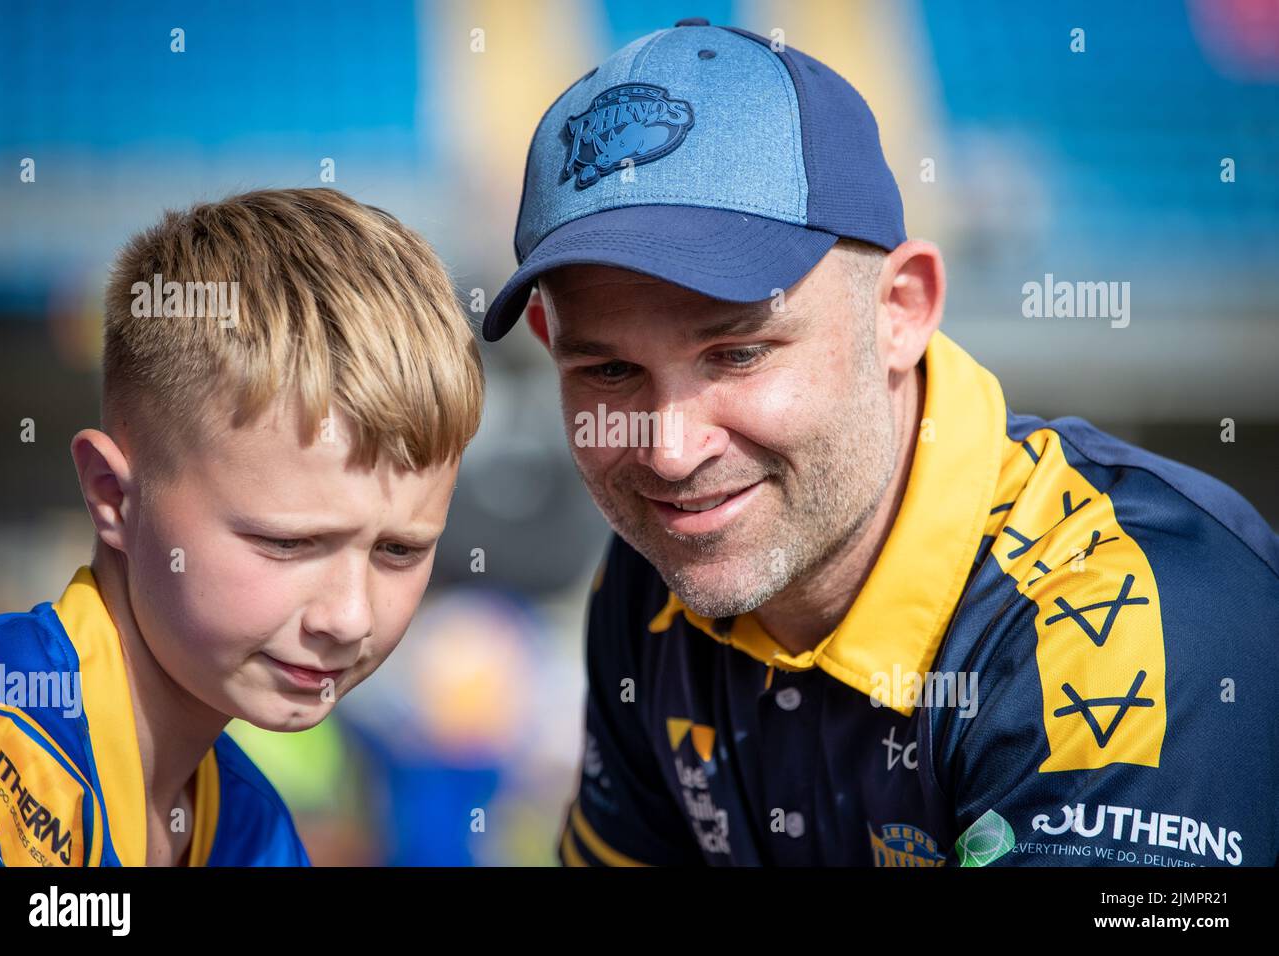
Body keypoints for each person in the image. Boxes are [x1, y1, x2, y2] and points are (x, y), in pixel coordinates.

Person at [482, 20, 1278, 866]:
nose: (670, 453)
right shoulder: (654, 574)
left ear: (902, 310)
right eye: (609, 370)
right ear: (548, 342)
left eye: (739, 353)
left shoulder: (1126, 623)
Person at [0, 188, 484, 866]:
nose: (349, 618)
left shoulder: (259, 836)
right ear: (112, 496)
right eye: (287, 543)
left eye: (399, 550)